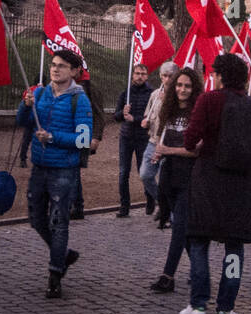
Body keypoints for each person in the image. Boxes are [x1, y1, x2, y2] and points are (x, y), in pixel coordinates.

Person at [179, 53, 251, 314]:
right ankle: (225, 309)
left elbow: (189, 140)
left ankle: (198, 304)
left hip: (207, 179)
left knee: (199, 242)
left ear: (219, 76)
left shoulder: (208, 100)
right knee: (234, 248)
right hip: (240, 185)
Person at [16, 49, 91, 298]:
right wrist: (26, 106)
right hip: (40, 167)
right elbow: (22, 122)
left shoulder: (79, 100)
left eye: (61, 66)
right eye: (53, 64)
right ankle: (64, 255)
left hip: (64, 170)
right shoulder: (40, 93)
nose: (55, 69)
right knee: (36, 219)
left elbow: (83, 139)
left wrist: (53, 137)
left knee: (59, 224)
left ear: (73, 72)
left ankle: (55, 274)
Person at [149, 68, 203, 293]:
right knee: (185, 230)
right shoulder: (168, 110)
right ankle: (199, 269)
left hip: (189, 177)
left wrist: (168, 150)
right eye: (179, 85)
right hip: (168, 175)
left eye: (187, 86)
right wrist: (159, 153)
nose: (182, 89)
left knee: (179, 227)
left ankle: (167, 275)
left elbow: (196, 151)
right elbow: (161, 138)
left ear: (194, 89)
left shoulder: (198, 113)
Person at [113, 62, 154, 218]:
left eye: (143, 74)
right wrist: (122, 114)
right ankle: (124, 205)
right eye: (137, 73)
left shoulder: (152, 94)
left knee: (144, 172)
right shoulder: (126, 93)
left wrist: (134, 119)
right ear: (132, 75)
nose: (139, 77)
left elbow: (150, 117)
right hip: (126, 137)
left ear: (147, 76)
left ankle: (150, 199)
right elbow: (116, 116)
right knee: (123, 172)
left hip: (143, 138)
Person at [139, 61, 178, 218]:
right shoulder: (154, 95)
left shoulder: (179, 95)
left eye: (170, 76)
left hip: (169, 144)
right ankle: (163, 203)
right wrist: (145, 122)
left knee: (165, 181)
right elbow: (148, 114)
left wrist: (167, 100)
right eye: (164, 75)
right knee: (145, 175)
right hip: (153, 141)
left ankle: (170, 212)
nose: (167, 79)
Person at [69, 76, 104, 221]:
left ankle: (76, 206)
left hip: (82, 134)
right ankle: (74, 205)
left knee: (74, 170)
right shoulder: (61, 85)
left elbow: (99, 113)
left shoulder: (89, 87)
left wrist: (96, 137)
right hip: (66, 133)